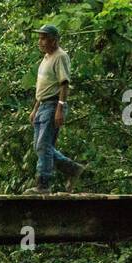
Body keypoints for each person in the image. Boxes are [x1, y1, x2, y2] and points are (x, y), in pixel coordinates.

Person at [26, 24, 86, 194]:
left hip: (53, 105)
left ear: (54, 40)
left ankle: (43, 184)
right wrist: (35, 108)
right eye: (40, 38)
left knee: (43, 145)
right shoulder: (46, 58)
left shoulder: (61, 56)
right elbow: (43, 87)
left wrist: (60, 107)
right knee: (40, 146)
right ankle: (72, 169)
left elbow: (64, 84)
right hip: (43, 105)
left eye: (44, 38)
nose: (41, 41)